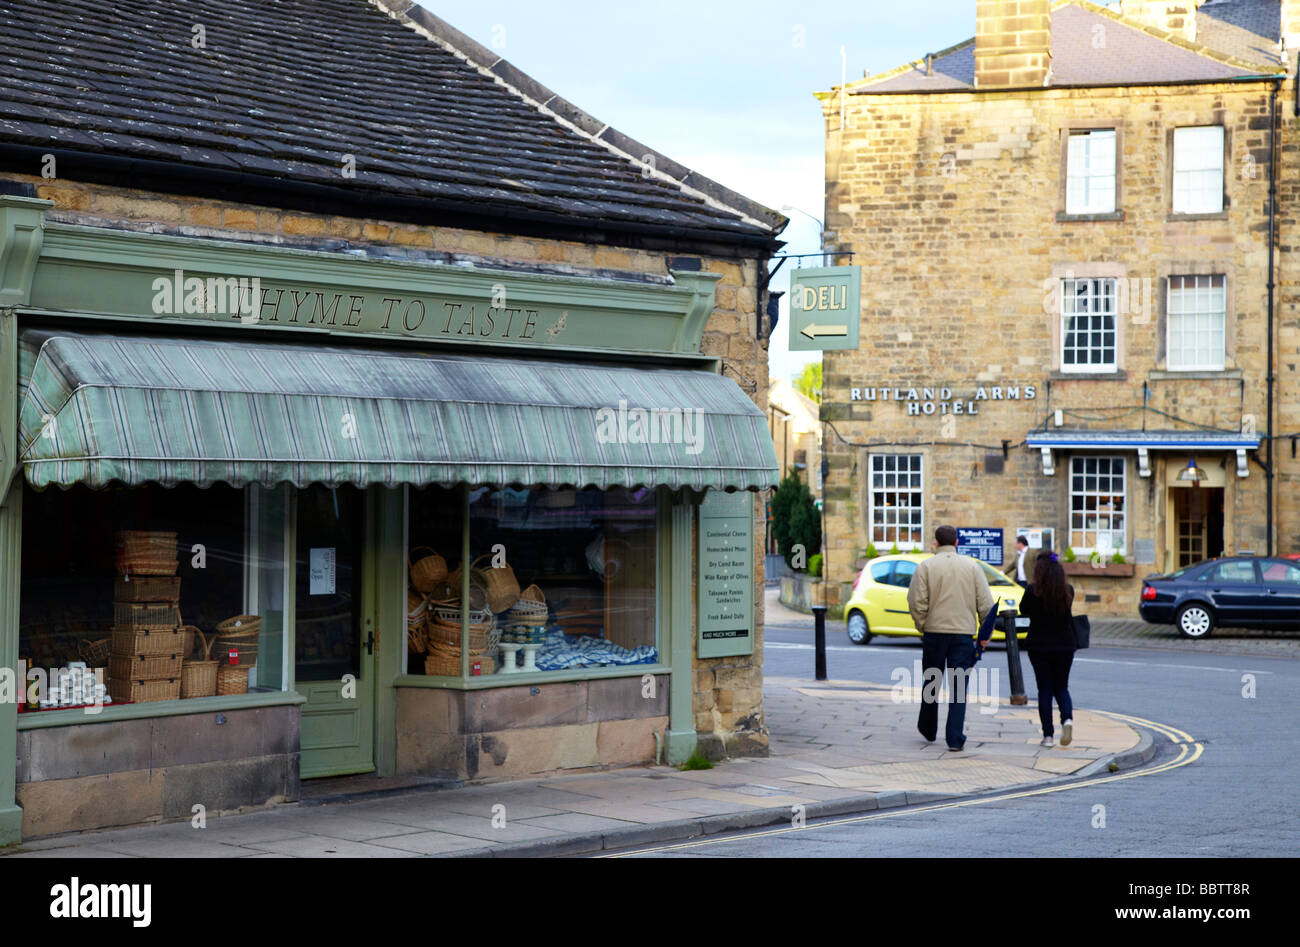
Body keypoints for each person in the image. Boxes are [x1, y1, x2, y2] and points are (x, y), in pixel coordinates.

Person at [907, 525, 994, 751]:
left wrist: (923, 625)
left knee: (931, 682)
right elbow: (986, 605)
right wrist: (985, 635)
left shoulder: (925, 567)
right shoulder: (972, 567)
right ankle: (955, 738)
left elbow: (916, 602)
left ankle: (927, 728)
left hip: (934, 633)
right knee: (958, 687)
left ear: (936, 543)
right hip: (963, 635)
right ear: (957, 543)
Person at [1019, 552, 1077, 748]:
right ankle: (1067, 720)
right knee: (1062, 687)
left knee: (1044, 689)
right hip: (1065, 645)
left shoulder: (1032, 591)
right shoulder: (1068, 590)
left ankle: (1048, 737)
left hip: (1039, 645)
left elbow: (1023, 610)